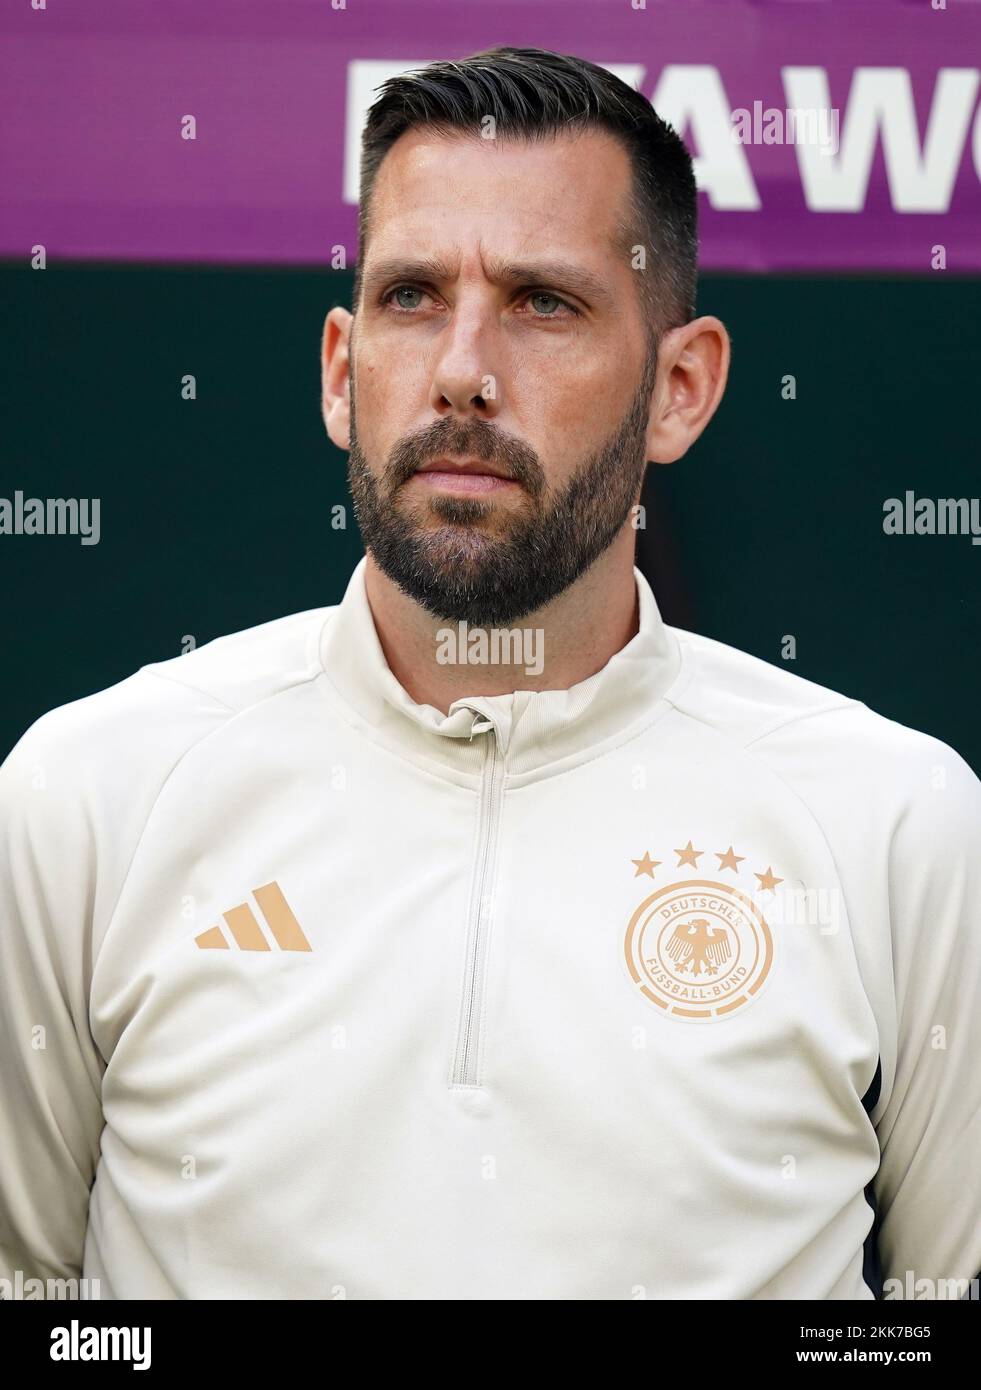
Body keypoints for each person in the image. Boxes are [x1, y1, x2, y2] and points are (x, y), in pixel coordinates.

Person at [1, 45, 978, 1302]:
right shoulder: (84, 797)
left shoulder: (896, 825)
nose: (463, 367)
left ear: (680, 389)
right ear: (341, 371)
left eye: (543, 303)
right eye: (412, 296)